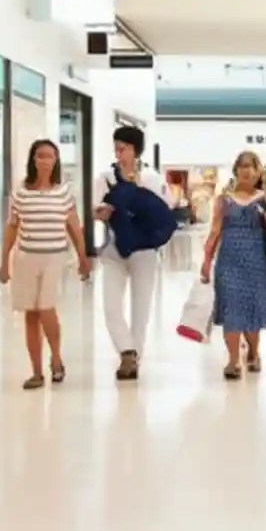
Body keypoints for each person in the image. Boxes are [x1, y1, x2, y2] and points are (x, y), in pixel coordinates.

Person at [0, 139, 91, 391]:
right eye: (41, 156)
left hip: (54, 258)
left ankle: (57, 359)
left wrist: (83, 258)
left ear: (56, 160)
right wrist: (4, 262)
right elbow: (11, 228)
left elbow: (74, 227)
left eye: (50, 156)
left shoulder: (63, 192)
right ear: (33, 159)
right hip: (26, 258)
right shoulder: (20, 193)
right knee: (31, 313)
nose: (45, 161)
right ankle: (36, 372)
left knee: (46, 307)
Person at [93, 126, 172, 381]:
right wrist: (103, 212)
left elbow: (165, 209)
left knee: (142, 307)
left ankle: (135, 356)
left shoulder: (152, 178)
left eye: (123, 148)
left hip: (146, 250)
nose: (119, 153)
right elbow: (96, 208)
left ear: (136, 149)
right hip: (115, 247)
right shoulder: (105, 178)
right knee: (111, 305)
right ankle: (126, 350)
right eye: (116, 148)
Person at [201, 151, 266, 380]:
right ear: (235, 170)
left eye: (251, 166)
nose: (246, 171)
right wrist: (207, 261)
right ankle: (232, 359)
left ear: (258, 172)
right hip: (229, 260)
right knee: (231, 308)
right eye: (242, 166)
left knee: (252, 308)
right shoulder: (224, 200)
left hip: (257, 262)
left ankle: (254, 352)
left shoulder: (264, 199)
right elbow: (215, 230)